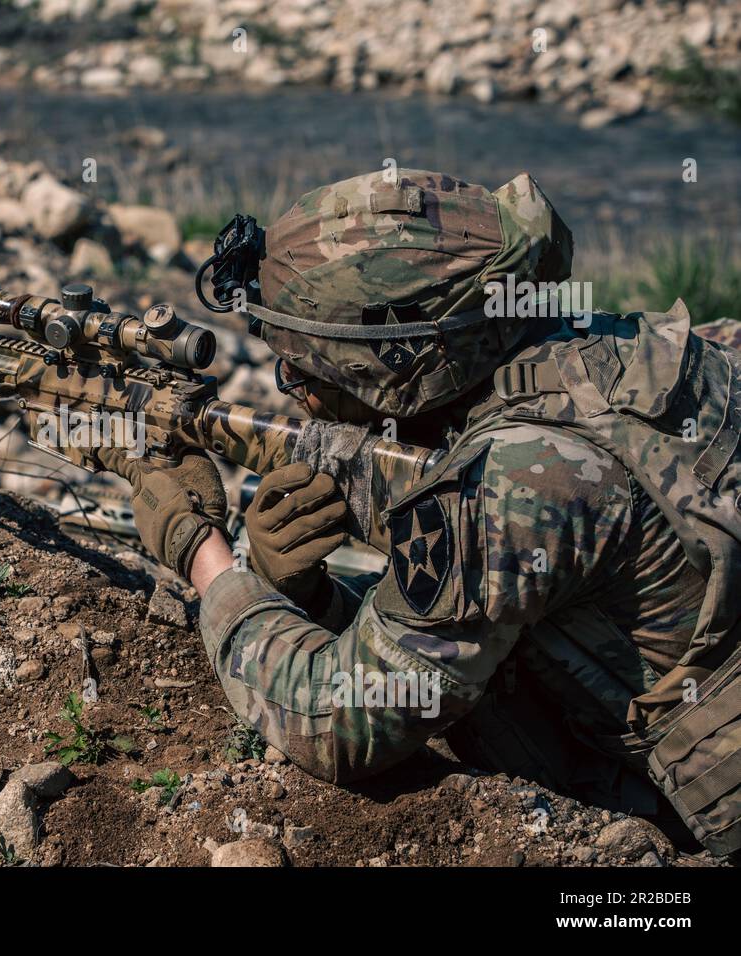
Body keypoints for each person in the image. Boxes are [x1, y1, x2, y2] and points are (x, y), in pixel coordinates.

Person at [98, 168, 741, 856]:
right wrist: (306, 592)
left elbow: (338, 725)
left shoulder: (514, 481)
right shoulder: (630, 347)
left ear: (398, 369)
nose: (295, 394)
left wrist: (204, 554)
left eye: (304, 372)